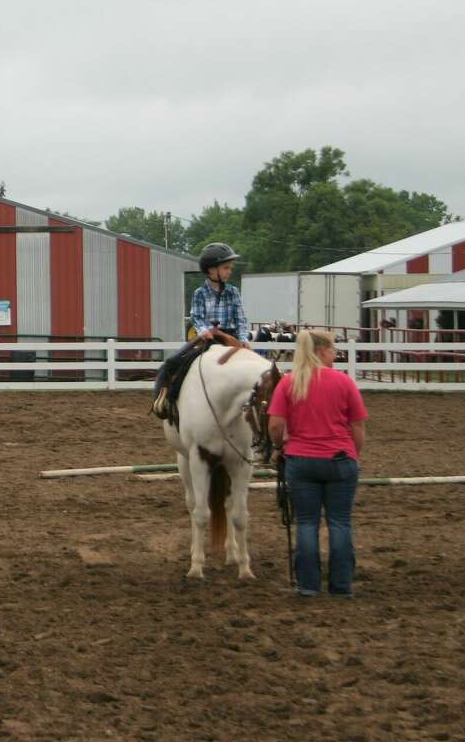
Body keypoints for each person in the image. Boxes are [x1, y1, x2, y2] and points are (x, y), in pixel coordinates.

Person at [267, 330, 368, 598]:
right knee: (340, 522)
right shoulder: (344, 382)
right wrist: (354, 454)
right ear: (322, 351)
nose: (335, 355)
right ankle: (341, 586)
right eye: (333, 350)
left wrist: (279, 447)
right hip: (340, 459)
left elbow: (275, 425)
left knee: (306, 523)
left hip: (301, 460)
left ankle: (308, 585)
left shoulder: (289, 383)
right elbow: (358, 426)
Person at [152, 242, 250, 417]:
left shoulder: (233, 292)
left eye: (230, 268)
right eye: (226, 268)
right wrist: (203, 330)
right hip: (209, 338)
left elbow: (241, 318)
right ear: (211, 270)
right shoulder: (200, 293)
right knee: (172, 363)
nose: (230, 271)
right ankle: (163, 399)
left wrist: (243, 338)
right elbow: (196, 316)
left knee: (258, 365)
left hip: (231, 337)